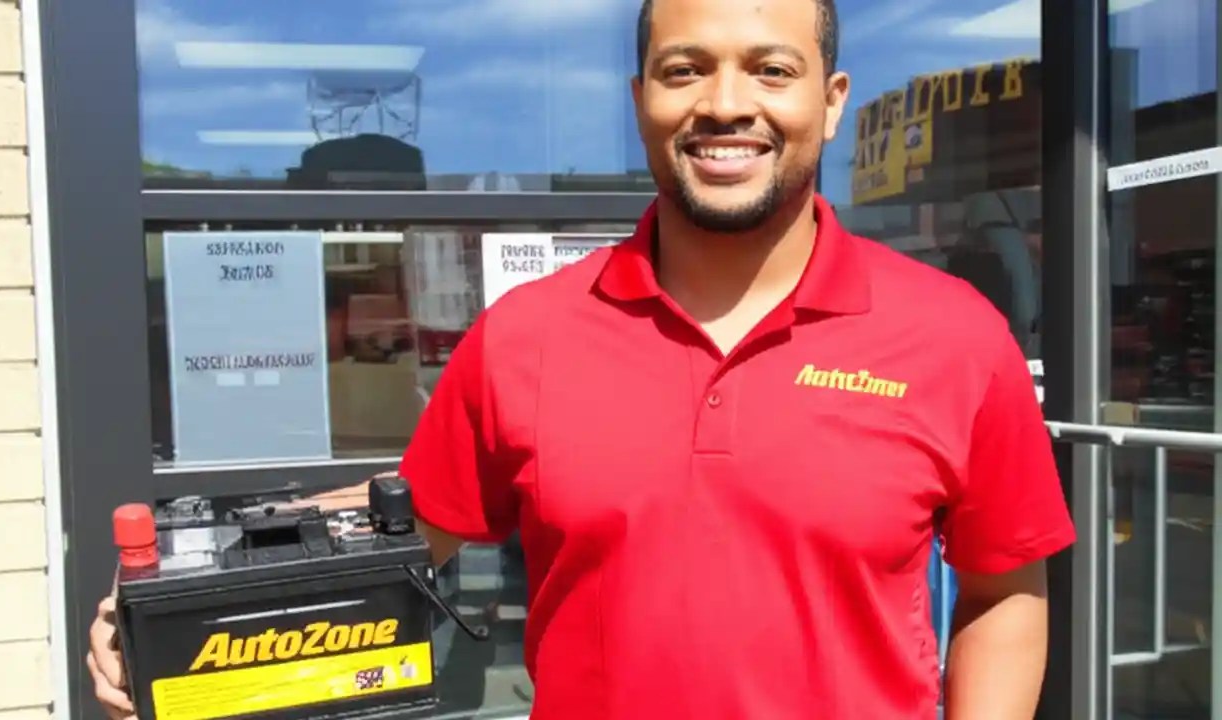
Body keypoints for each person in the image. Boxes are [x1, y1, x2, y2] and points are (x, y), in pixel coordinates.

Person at [88, 0, 1076, 717]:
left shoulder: (951, 336)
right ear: (639, 96)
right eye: (684, 69)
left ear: (829, 100)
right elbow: (401, 543)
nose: (725, 103)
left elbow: (999, 593)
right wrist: (186, 611)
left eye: (770, 69)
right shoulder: (526, 337)